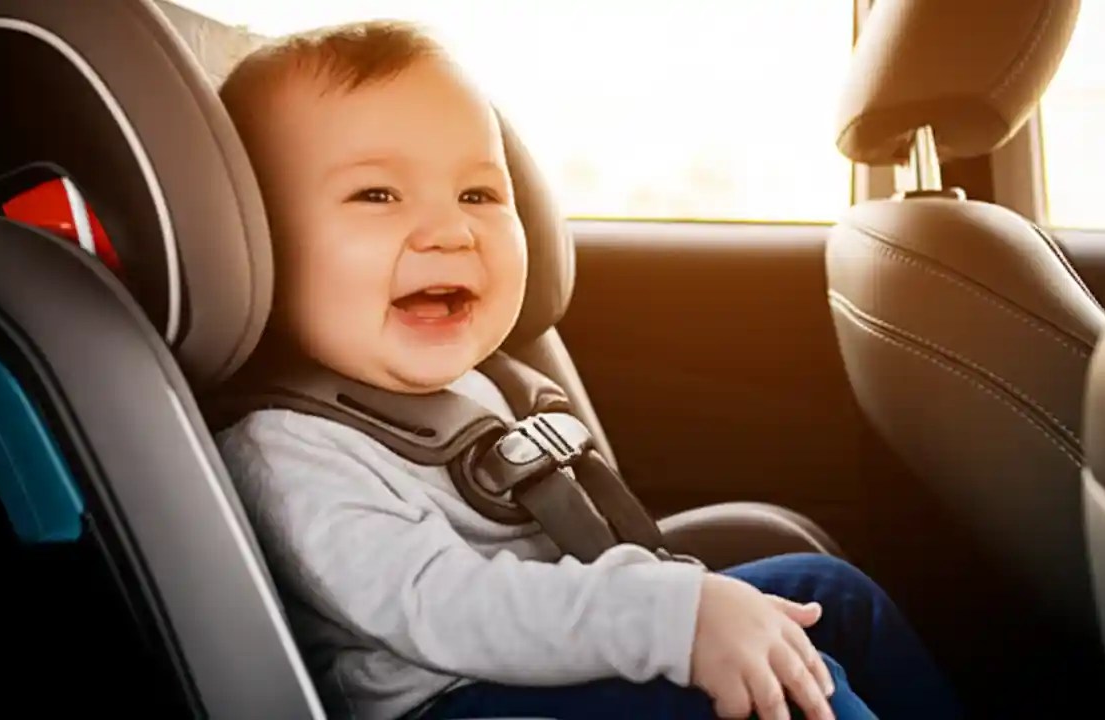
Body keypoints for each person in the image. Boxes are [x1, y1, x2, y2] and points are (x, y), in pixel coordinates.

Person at [213, 19, 962, 720]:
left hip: (558, 657)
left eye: (479, 193)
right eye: (376, 194)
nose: (451, 230)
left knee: (833, 597)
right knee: (784, 691)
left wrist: (677, 603)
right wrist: (673, 616)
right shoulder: (286, 449)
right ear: (260, 245)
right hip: (462, 698)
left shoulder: (483, 384)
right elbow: (446, 605)